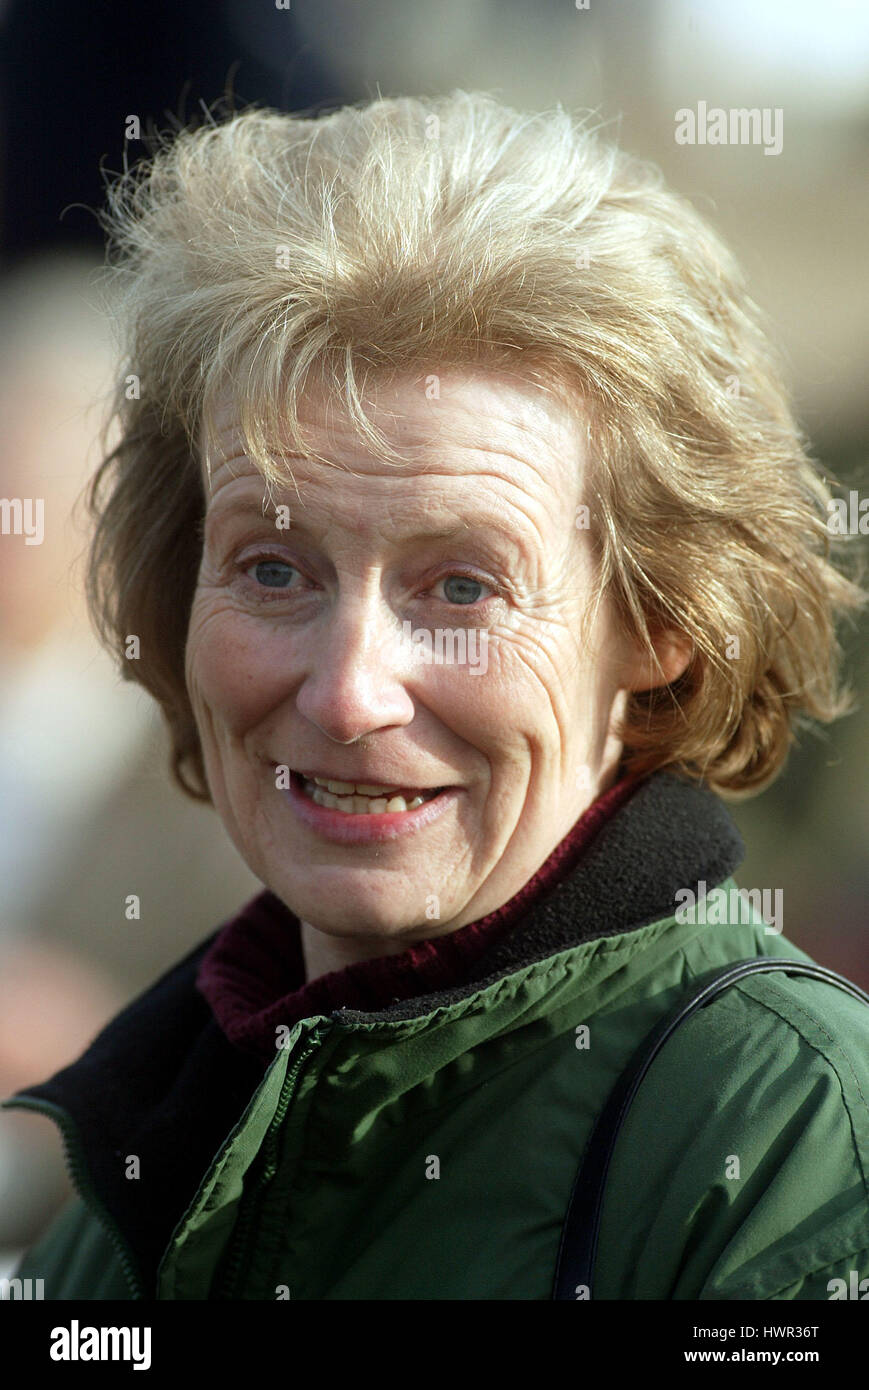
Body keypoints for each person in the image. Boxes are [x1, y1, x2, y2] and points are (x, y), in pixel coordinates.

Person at [4, 90, 868, 1301]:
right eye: (270, 567)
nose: (350, 690)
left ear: (665, 626)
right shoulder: (150, 1148)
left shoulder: (789, 1142)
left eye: (461, 585)